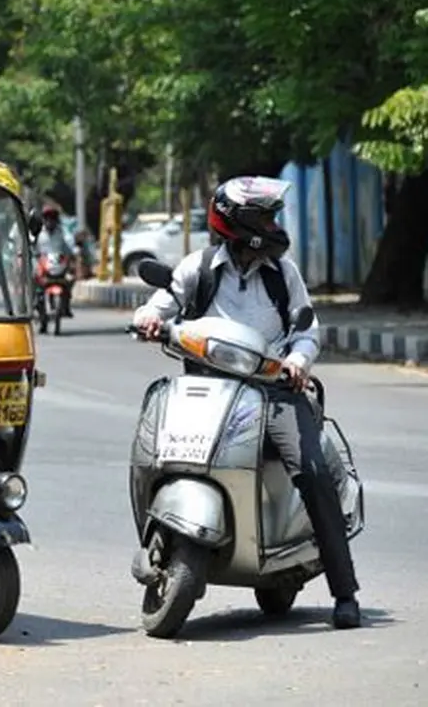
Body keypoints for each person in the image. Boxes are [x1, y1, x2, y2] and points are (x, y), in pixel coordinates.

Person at [132, 175, 362, 630]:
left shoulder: (284, 274)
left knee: (312, 473)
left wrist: (298, 360)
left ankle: (345, 591)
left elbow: (307, 330)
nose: (274, 224)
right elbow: (161, 304)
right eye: (267, 216)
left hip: (272, 391)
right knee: (156, 451)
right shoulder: (197, 268)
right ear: (242, 222)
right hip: (207, 386)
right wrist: (147, 320)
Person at [36, 205, 76, 317]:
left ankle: (66, 306)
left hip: (58, 266)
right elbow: (33, 249)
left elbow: (67, 248)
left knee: (70, 279)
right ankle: (37, 308)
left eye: (52, 218)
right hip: (43, 266)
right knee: (35, 283)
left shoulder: (62, 234)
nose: (50, 221)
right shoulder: (39, 234)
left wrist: (71, 256)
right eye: (48, 218)